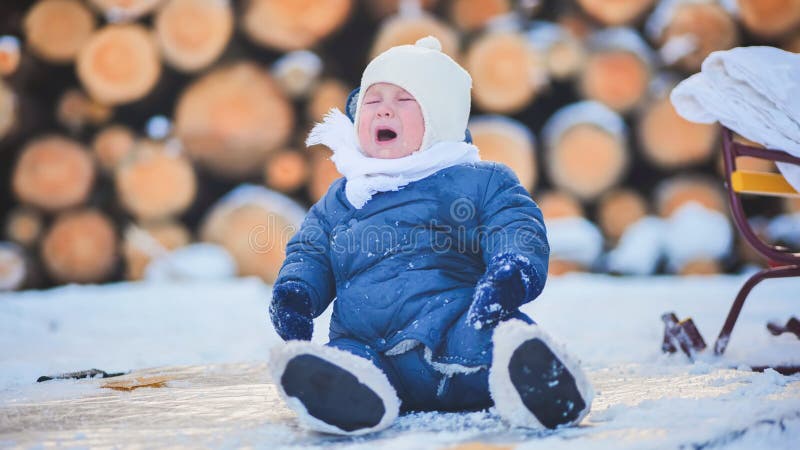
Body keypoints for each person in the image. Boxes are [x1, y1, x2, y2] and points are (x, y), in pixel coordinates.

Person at [268, 36, 592, 435]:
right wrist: (296, 292)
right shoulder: (345, 196)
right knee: (347, 358)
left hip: (457, 330)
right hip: (369, 347)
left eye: (404, 100)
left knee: (497, 339)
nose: (384, 108)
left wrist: (513, 269)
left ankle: (535, 382)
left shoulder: (476, 181)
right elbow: (310, 250)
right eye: (373, 100)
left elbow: (515, 225)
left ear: (441, 117)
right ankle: (348, 395)